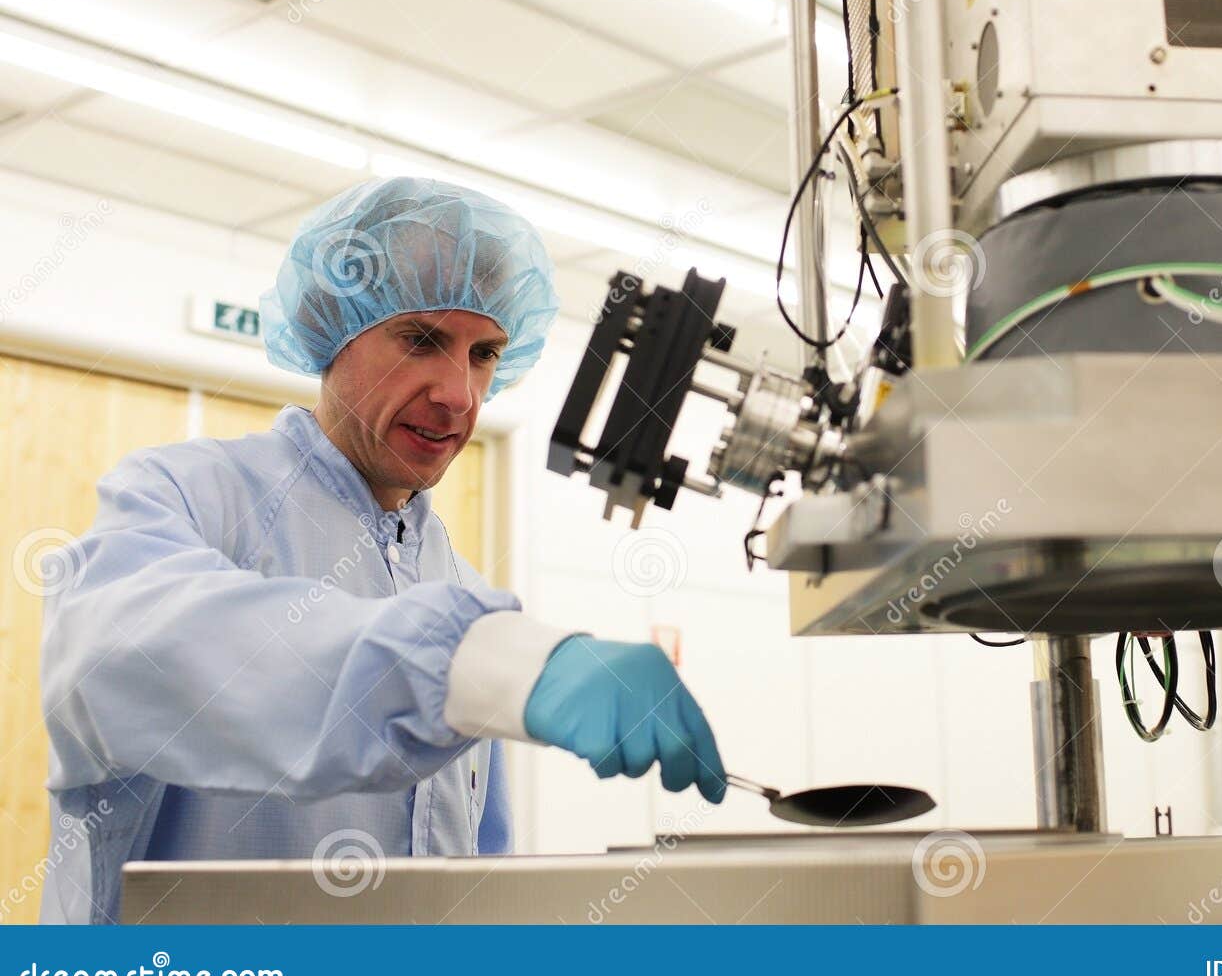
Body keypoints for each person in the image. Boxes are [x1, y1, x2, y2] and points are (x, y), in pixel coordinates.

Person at [38, 177, 726, 925]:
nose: (460, 394)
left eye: (486, 353)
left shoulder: (457, 583)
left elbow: (472, 867)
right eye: (423, 340)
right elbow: (123, 658)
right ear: (333, 328)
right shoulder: (189, 497)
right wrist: (478, 663)